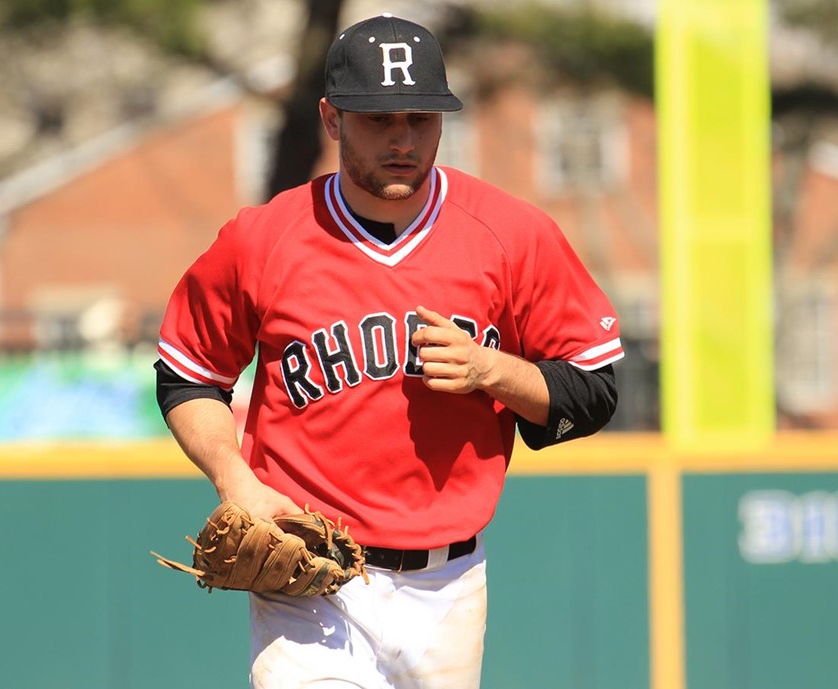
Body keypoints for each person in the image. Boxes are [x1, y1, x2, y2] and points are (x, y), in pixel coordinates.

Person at [154, 12, 622, 688]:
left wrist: (492, 369)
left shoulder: (511, 235)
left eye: (420, 118)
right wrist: (236, 481)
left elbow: (598, 385)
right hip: (310, 580)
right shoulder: (264, 239)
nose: (403, 139)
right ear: (332, 117)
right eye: (379, 120)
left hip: (449, 583)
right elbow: (187, 373)